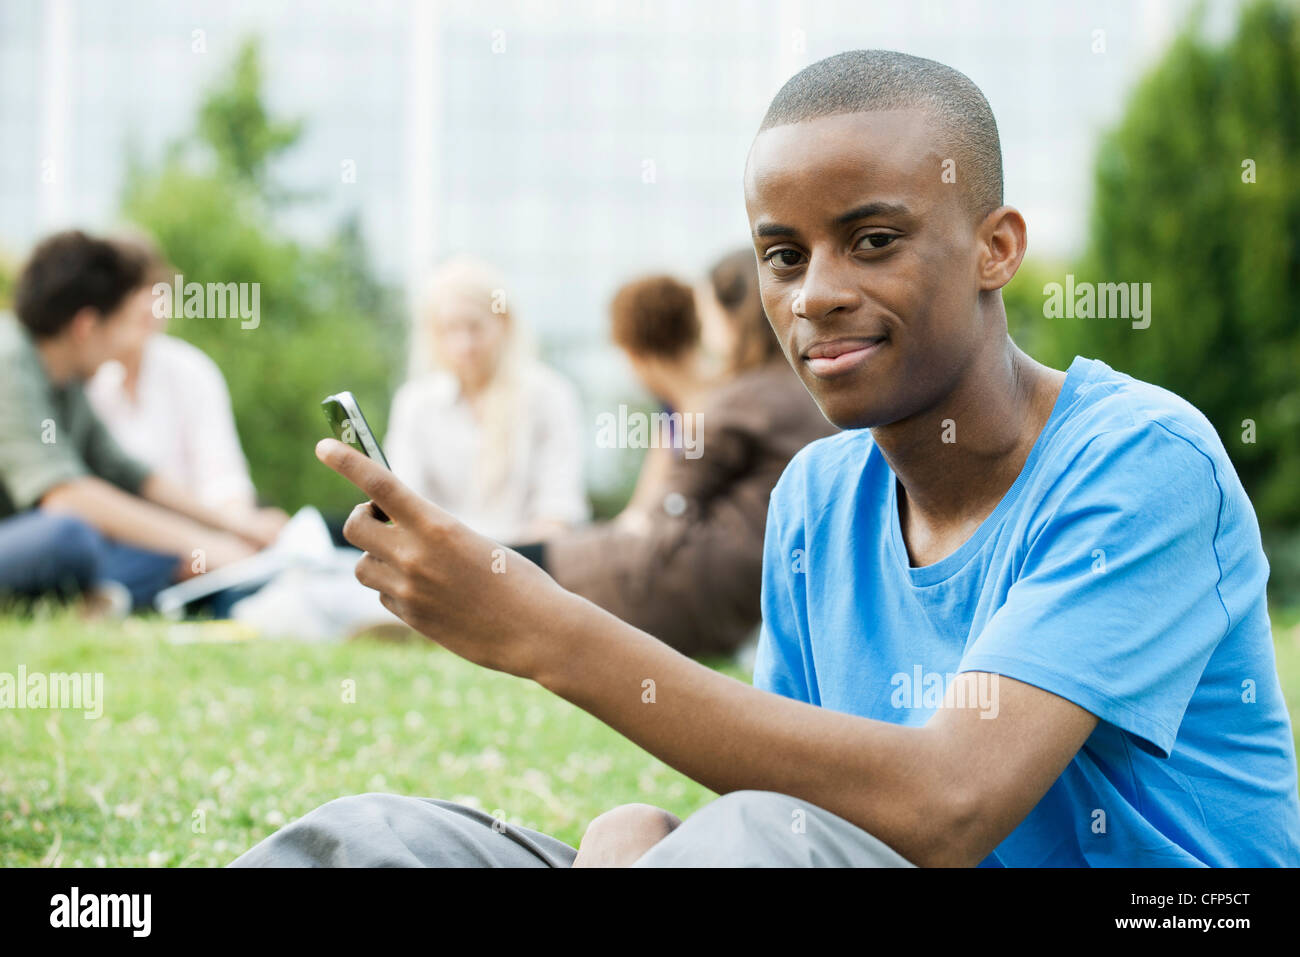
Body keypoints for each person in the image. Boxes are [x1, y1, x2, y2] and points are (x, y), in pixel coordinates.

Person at [232, 50, 1300, 868]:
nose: (812, 293)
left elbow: (948, 806)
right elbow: (810, 816)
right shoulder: (819, 498)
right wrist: (650, 842)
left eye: (871, 240)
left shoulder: (1137, 463)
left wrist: (536, 624)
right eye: (781, 256)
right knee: (373, 843)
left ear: (995, 246)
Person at [526, 265, 836, 657]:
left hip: (691, 580)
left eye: (705, 316)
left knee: (521, 564)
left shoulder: (737, 399)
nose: (702, 330)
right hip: (717, 578)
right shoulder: (770, 392)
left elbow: (665, 507)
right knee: (523, 560)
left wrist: (620, 543)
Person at [0, 230, 279, 612]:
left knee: (153, 551)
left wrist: (238, 528)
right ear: (86, 326)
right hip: (38, 538)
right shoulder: (9, 361)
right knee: (69, 536)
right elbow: (65, 496)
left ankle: (100, 601)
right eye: (118, 322)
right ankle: (101, 596)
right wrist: (202, 544)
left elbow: (131, 474)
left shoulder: (68, 381)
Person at [384, 256, 589, 543]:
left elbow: (559, 511)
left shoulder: (549, 396)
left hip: (527, 567)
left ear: (504, 324)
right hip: (438, 565)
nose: (464, 345)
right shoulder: (415, 403)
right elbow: (402, 504)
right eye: (449, 330)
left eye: (475, 327)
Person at [86, 234, 280, 523]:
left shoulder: (191, 371)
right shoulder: (84, 385)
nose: (149, 304)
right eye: (131, 290)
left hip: (199, 545)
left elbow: (224, 481)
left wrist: (239, 530)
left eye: (155, 287)